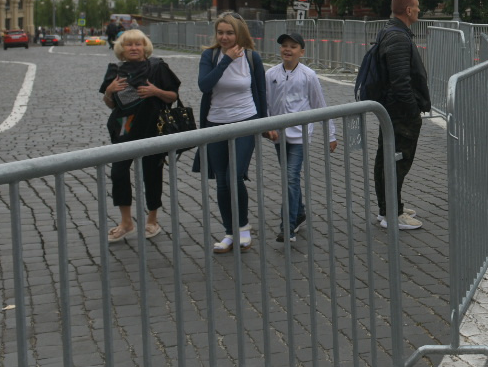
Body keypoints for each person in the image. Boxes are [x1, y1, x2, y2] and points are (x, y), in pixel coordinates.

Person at [100, 29, 181, 242]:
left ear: (145, 47)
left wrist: (156, 92)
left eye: (138, 44)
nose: (134, 48)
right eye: (129, 45)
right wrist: (109, 90)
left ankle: (152, 220)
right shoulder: (114, 70)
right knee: (118, 173)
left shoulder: (157, 67)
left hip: (153, 127)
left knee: (152, 173)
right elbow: (110, 103)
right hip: (124, 128)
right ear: (121, 49)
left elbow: (173, 95)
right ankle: (126, 222)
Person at [198, 13, 267, 252]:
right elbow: (204, 85)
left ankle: (244, 228)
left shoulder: (252, 58)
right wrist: (225, 60)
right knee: (221, 181)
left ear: (239, 34)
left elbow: (261, 93)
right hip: (215, 123)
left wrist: (264, 124)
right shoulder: (210, 56)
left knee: (234, 176)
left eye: (229, 33)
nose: (224, 37)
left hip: (245, 122)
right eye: (221, 33)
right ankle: (230, 232)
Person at [263, 32, 336, 242]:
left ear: (301, 51)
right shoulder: (271, 75)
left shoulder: (308, 76)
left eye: (293, 46)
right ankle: (300, 211)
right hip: (278, 135)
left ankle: (288, 226)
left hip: (300, 136)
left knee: (290, 178)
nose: (287, 49)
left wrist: (331, 134)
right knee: (290, 179)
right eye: (284, 45)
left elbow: (319, 105)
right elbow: (266, 103)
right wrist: (268, 126)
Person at [371, 0, 429, 230]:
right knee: (395, 162)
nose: (418, 10)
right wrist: (412, 111)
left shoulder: (392, 31)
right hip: (399, 113)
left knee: (387, 160)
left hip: (393, 111)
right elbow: (400, 81)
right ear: (407, 10)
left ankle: (390, 207)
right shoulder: (397, 37)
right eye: (416, 6)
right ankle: (391, 213)